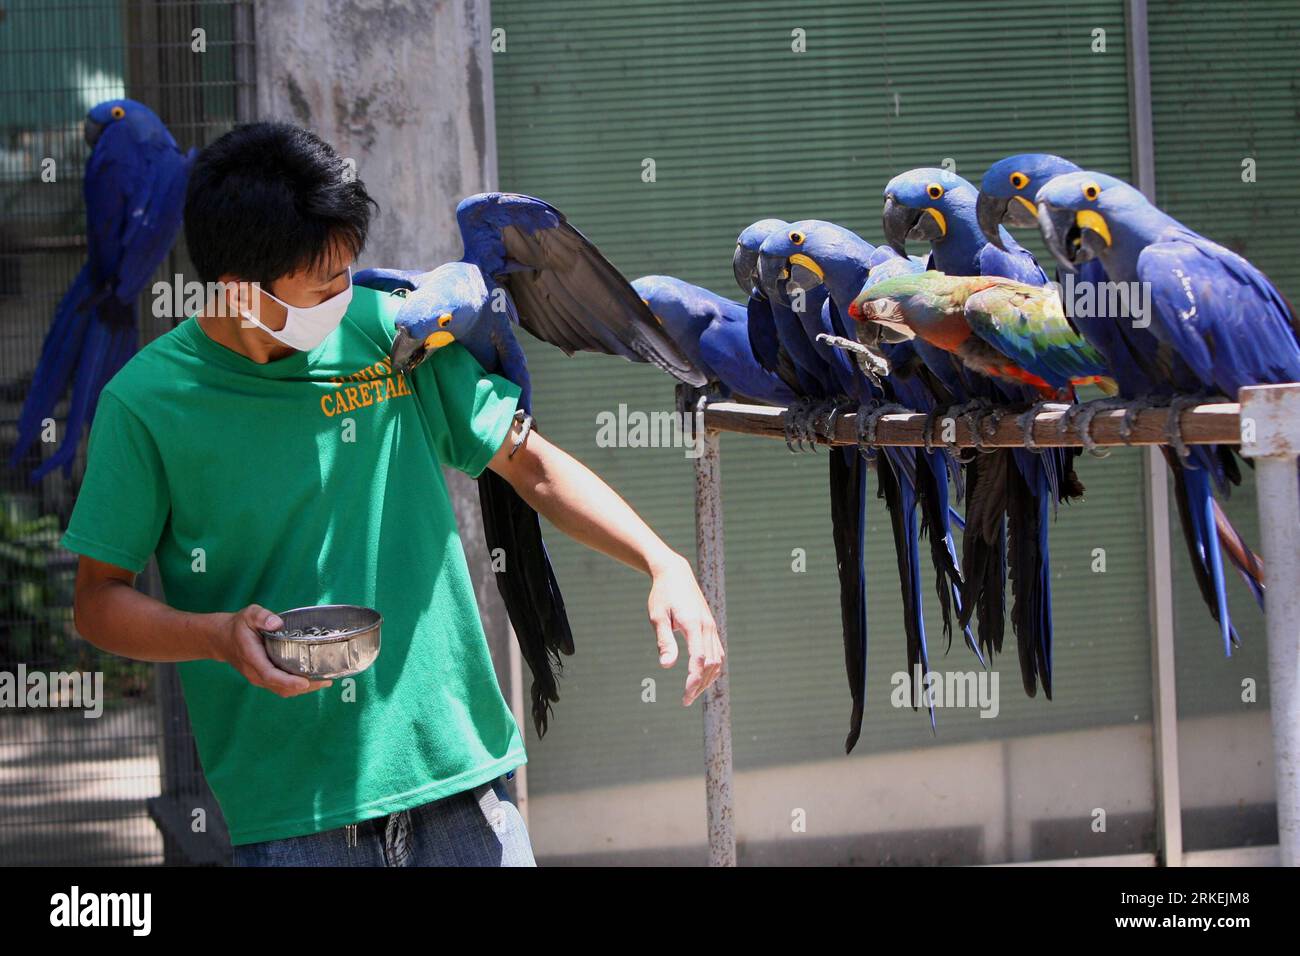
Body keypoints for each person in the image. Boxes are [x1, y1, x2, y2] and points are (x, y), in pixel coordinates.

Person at [63, 121, 724, 867]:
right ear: (239, 290)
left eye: (349, 271)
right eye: (323, 285)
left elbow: (529, 464)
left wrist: (661, 560)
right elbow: (98, 601)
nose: (346, 295)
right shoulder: (147, 404)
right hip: (294, 818)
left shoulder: (390, 334)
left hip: (462, 786)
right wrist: (216, 635)